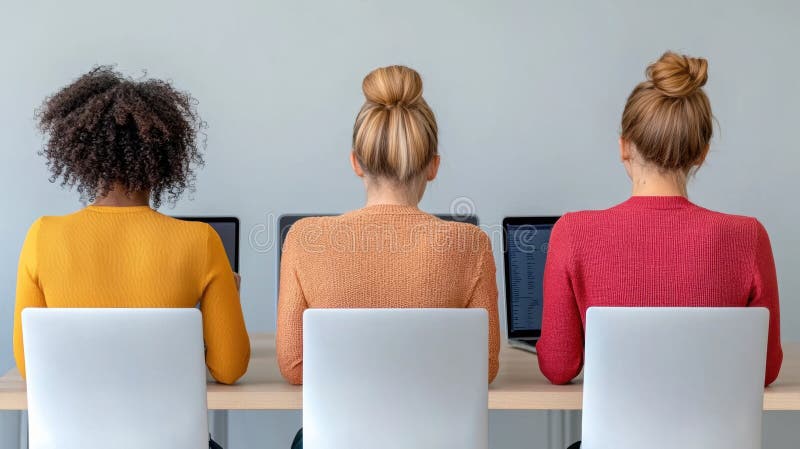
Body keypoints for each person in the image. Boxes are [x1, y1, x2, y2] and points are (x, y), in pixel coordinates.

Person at [13, 67, 250, 447]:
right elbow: (229, 368)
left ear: (81, 154)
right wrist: (215, 307)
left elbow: (32, 368)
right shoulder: (201, 242)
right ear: (166, 156)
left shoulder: (42, 236)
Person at [536, 51, 782, 392]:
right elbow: (766, 370)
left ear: (624, 147)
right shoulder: (748, 237)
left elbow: (559, 367)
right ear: (702, 153)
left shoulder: (573, 233)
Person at [276, 65, 500, 383]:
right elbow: (486, 368)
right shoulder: (471, 244)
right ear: (433, 167)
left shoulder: (304, 239)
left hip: (339, 434)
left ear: (356, 162)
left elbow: (294, 367)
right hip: (438, 433)